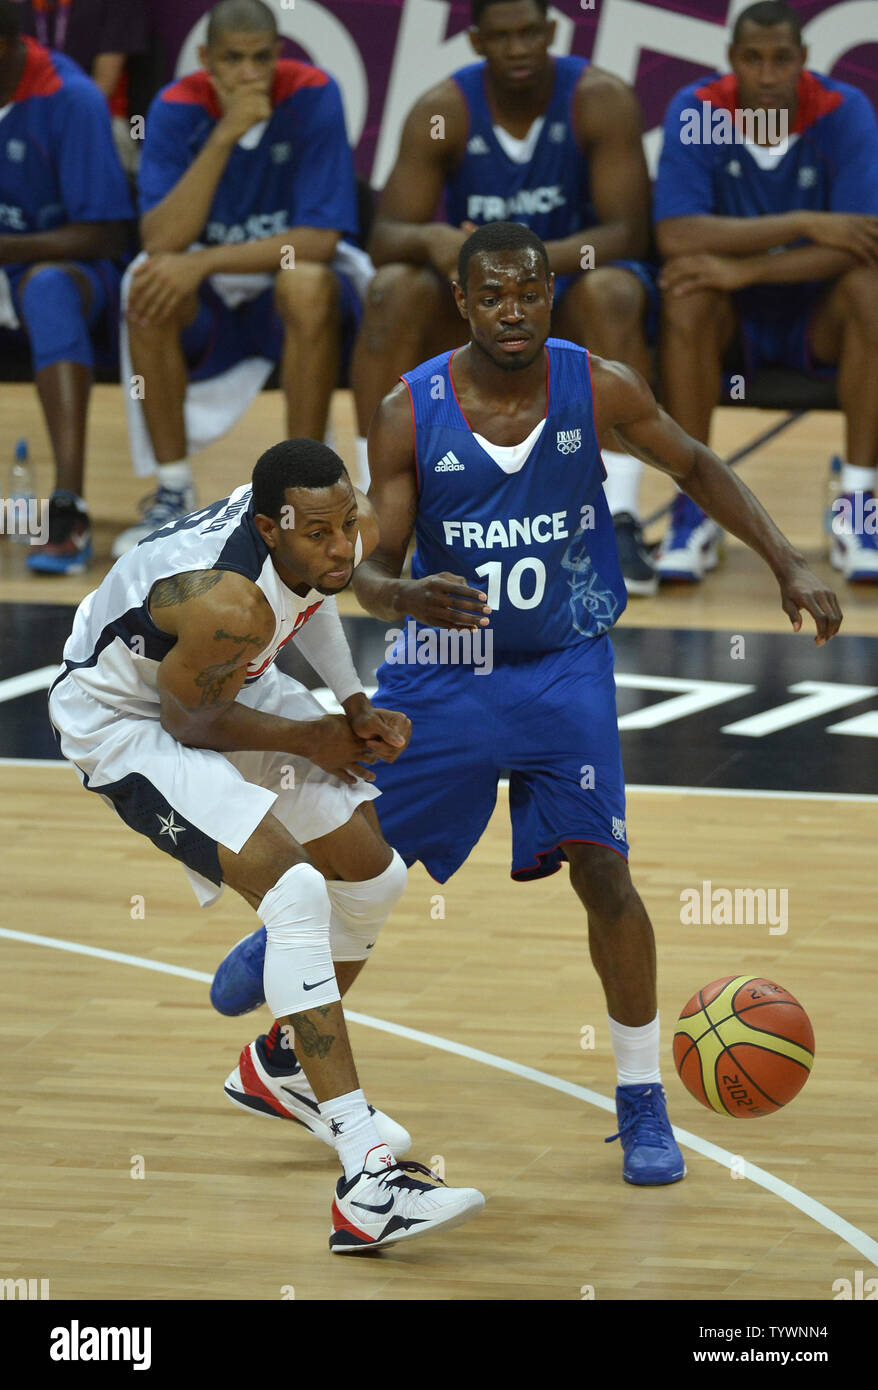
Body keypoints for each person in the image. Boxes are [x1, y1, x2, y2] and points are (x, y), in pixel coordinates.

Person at [212, 222, 842, 1187]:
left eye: (530, 292)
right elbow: (365, 568)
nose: (514, 310)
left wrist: (788, 560)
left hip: (564, 666)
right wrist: (401, 595)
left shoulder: (599, 385)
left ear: (551, 296)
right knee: (359, 856)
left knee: (606, 872)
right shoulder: (407, 410)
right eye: (493, 295)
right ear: (461, 304)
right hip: (446, 665)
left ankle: (640, 1101)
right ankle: (285, 1000)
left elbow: (698, 466)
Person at [48, 437, 486, 1253]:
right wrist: (311, 740)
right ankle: (367, 1180)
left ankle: (284, 1065)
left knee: (373, 878)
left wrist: (350, 706)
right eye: (321, 534)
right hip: (131, 722)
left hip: (219, 682)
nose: (344, 548)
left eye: (349, 526)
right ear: (269, 527)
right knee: (296, 892)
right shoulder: (227, 602)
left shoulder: (308, 545)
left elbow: (314, 603)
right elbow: (189, 724)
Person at [350, 0, 660, 595]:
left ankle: (619, 514)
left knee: (615, 289)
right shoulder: (442, 110)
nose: (517, 48)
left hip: (566, 286)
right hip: (487, 302)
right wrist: (438, 240)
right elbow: (386, 236)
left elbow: (627, 232)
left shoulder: (599, 99)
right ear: (474, 41)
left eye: (529, 34)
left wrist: (524, 262)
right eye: (502, 37)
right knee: (392, 289)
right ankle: (379, 510)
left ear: (550, 32)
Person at [113, 0, 370, 556]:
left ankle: (304, 492)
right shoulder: (176, 105)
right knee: (147, 286)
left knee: (304, 282)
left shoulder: (312, 93)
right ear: (206, 58)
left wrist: (204, 261)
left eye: (260, 58)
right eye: (233, 59)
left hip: (281, 285)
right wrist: (226, 134)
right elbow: (161, 240)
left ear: (278, 55)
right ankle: (173, 489)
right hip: (211, 301)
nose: (249, 73)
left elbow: (321, 239)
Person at [654, 0, 878, 584]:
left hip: (816, 317)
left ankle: (858, 507)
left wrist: (744, 268)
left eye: (783, 59)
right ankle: (693, 509)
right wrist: (805, 221)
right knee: (685, 292)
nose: (769, 73)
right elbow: (678, 235)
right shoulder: (697, 108)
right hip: (729, 324)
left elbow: (861, 241)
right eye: (753, 59)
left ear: (804, 59)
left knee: (871, 287)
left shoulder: (843, 109)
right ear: (732, 61)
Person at [0, 0, 132, 574]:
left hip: (71, 269)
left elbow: (103, 233)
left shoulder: (70, 97)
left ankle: (67, 509)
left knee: (48, 289)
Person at [14, 0, 148, 171]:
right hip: (32, 115)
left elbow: (104, 86)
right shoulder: (20, 6)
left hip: (102, 117)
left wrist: (52, 124)